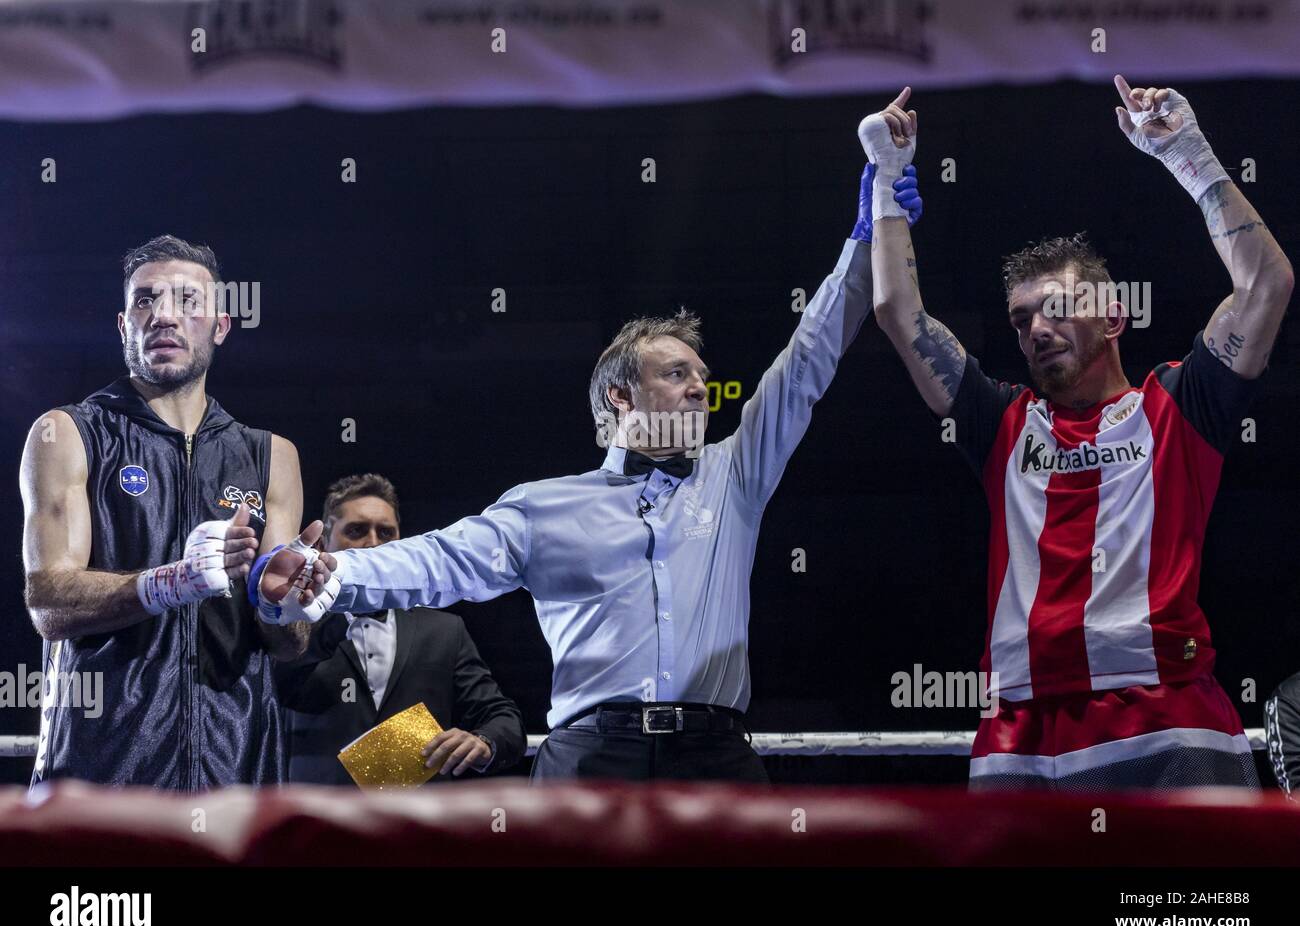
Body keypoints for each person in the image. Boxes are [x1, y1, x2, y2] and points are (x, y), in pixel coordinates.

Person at [253, 103, 925, 782]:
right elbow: (437, 560)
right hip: (593, 759)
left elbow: (808, 359)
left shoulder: (734, 475)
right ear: (621, 397)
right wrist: (328, 575)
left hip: (714, 755)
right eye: (676, 373)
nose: (699, 388)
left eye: (701, 376)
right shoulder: (544, 507)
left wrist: (870, 221)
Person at [866, 80, 1293, 790]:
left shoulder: (1182, 406)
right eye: (1021, 319)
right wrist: (884, 178)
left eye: (1058, 308)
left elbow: (1267, 285)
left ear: (1114, 317)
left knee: (1187, 909)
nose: (1036, 328)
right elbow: (896, 312)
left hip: (1166, 717)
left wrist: (1187, 153)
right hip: (1018, 730)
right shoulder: (1000, 422)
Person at [20, 234, 333, 790]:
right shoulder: (66, 432)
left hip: (238, 764)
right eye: (145, 300)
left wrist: (285, 607)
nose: (164, 315)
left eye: (188, 301)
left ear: (220, 326)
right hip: (100, 765)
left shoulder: (271, 455)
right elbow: (49, 604)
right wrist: (171, 583)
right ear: (123, 325)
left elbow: (287, 648)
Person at [275, 473, 526, 784]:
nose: (373, 543)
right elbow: (270, 694)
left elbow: (505, 720)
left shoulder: (444, 631)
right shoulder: (295, 629)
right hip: (320, 820)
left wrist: (484, 742)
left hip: (419, 823)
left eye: (386, 533)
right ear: (325, 542)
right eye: (356, 530)